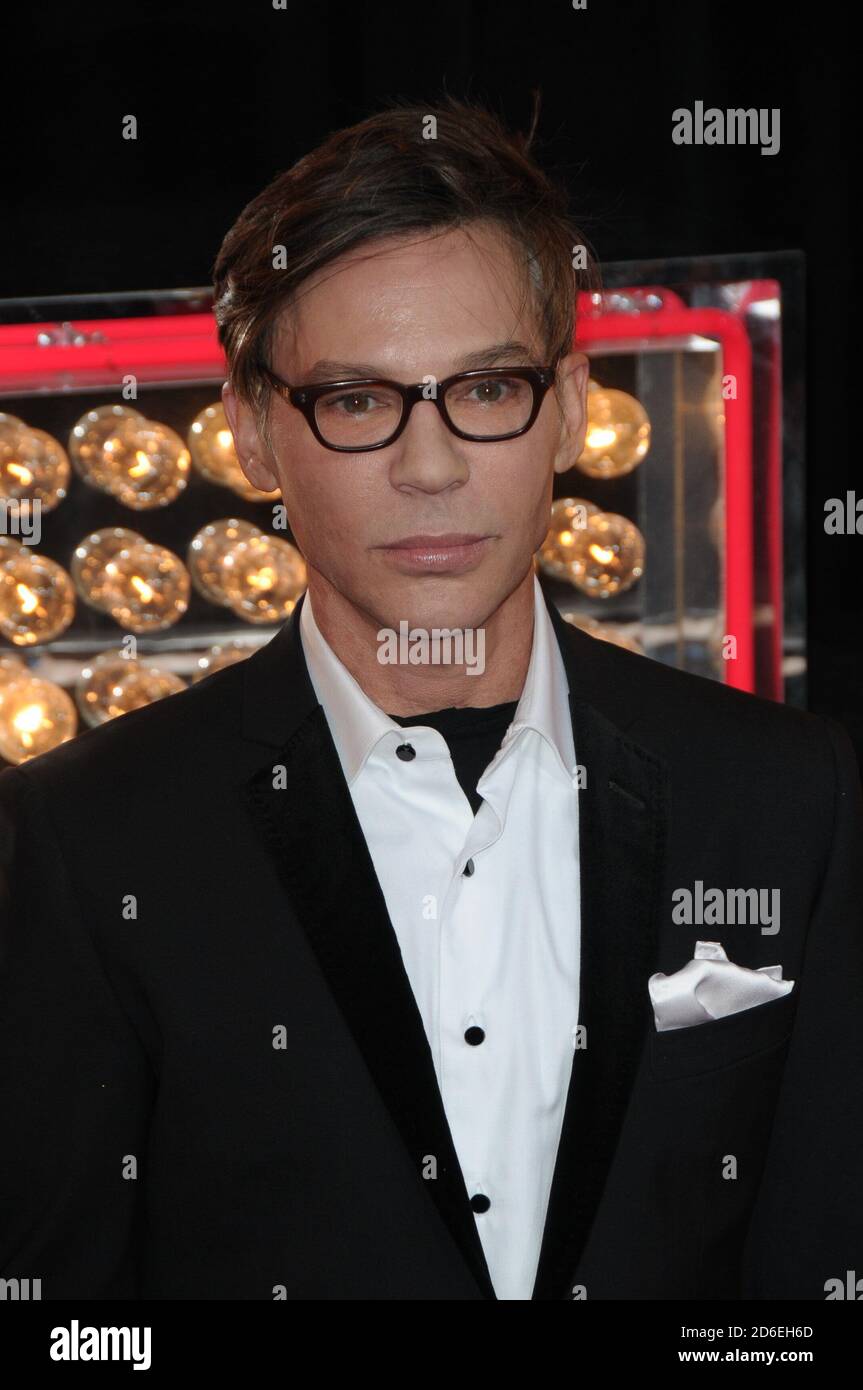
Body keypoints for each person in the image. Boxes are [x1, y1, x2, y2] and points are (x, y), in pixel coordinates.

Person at [1, 96, 861, 1302]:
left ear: (566, 404)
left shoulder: (785, 793)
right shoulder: (86, 836)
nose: (431, 464)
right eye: (357, 401)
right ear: (253, 433)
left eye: (487, 388)